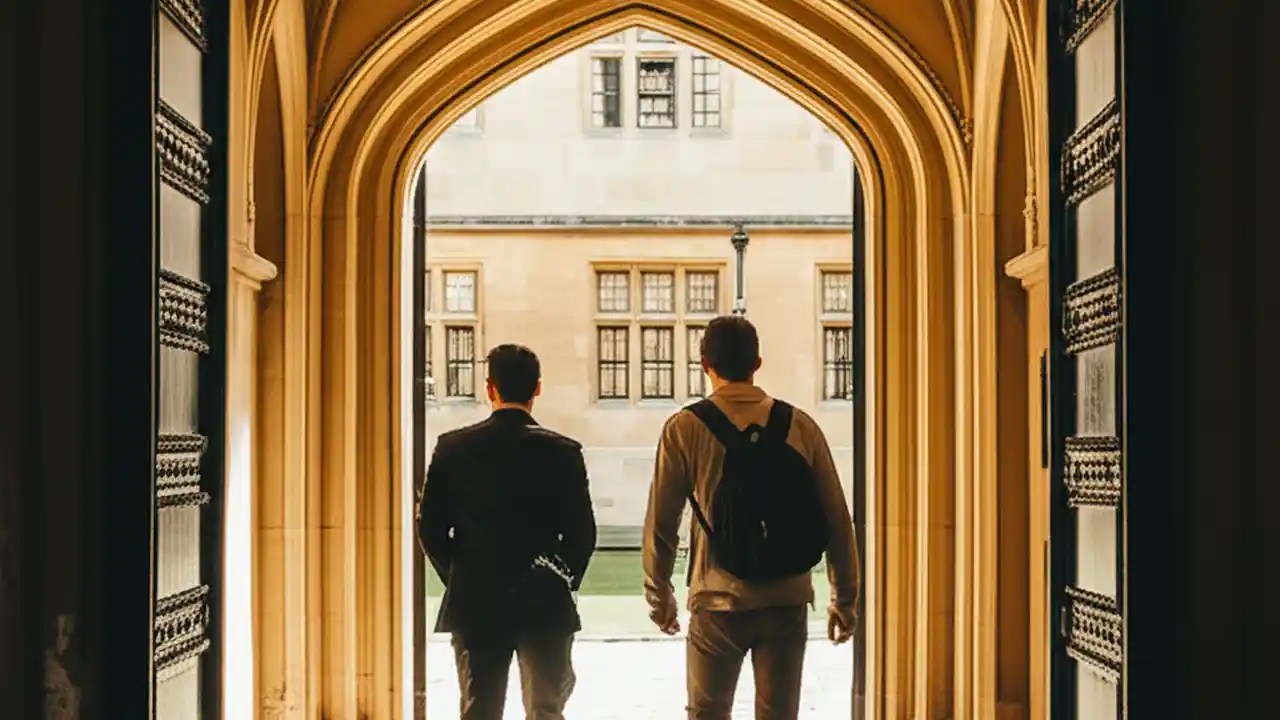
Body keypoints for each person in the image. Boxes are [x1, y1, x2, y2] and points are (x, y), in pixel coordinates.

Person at [642, 315, 859, 720]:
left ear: (704, 364)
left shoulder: (684, 428)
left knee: (707, 713)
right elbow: (836, 518)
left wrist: (660, 596)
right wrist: (844, 598)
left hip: (717, 597)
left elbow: (662, 522)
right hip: (786, 598)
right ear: (757, 363)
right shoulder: (800, 425)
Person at [418, 343, 597, 720]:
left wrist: (461, 574)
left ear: (490, 388)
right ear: (538, 388)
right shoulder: (564, 452)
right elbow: (582, 534)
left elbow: (431, 529)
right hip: (543, 598)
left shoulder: (452, 448)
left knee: (480, 709)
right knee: (545, 709)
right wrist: (560, 576)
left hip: (477, 596)